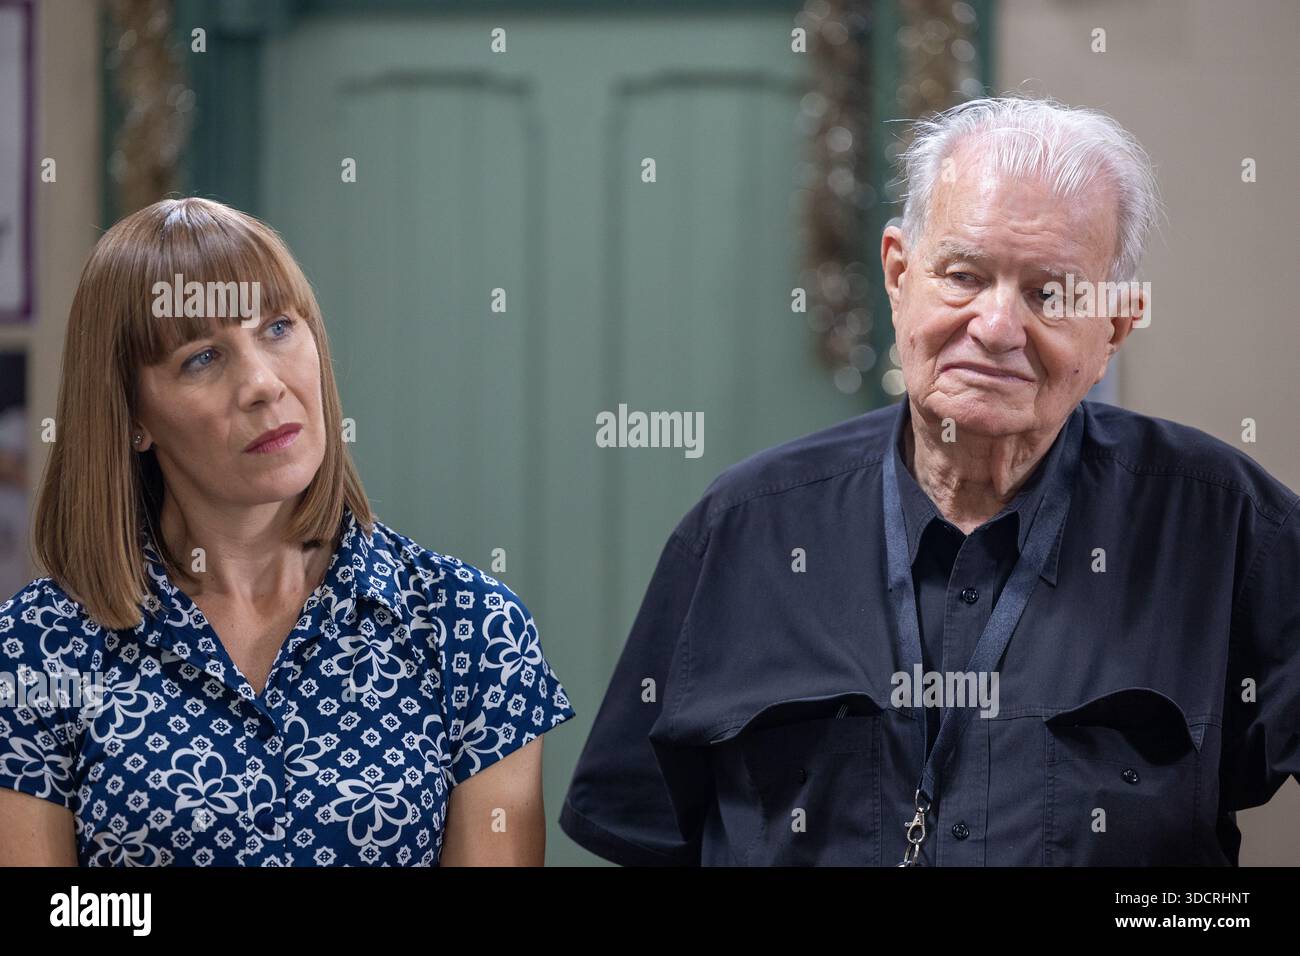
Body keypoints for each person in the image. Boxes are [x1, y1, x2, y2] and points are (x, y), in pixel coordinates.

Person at [559, 95, 1300, 866]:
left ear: (1113, 325)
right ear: (898, 273)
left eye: (1050, 294)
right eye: (963, 275)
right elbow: (637, 831)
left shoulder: (1223, 523)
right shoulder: (746, 526)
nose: (996, 327)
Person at [0, 197, 574, 866]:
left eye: (277, 328)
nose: (263, 384)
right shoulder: (39, 649)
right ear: (133, 416)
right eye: (201, 359)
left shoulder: (470, 627)